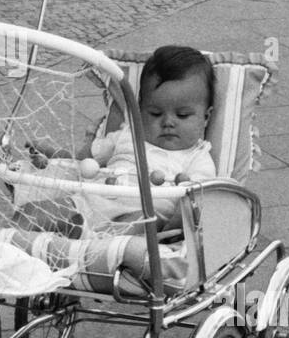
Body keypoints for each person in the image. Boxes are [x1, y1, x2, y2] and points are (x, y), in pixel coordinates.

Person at [14, 47, 217, 275]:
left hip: (140, 216)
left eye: (182, 115)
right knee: (34, 210)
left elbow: (197, 203)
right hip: (87, 205)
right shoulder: (126, 136)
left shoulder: (198, 158)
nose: (168, 122)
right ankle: (3, 256)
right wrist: (50, 155)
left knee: (139, 225)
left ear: (206, 117)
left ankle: (85, 248)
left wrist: (173, 231)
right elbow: (82, 159)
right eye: (155, 114)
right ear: (139, 111)